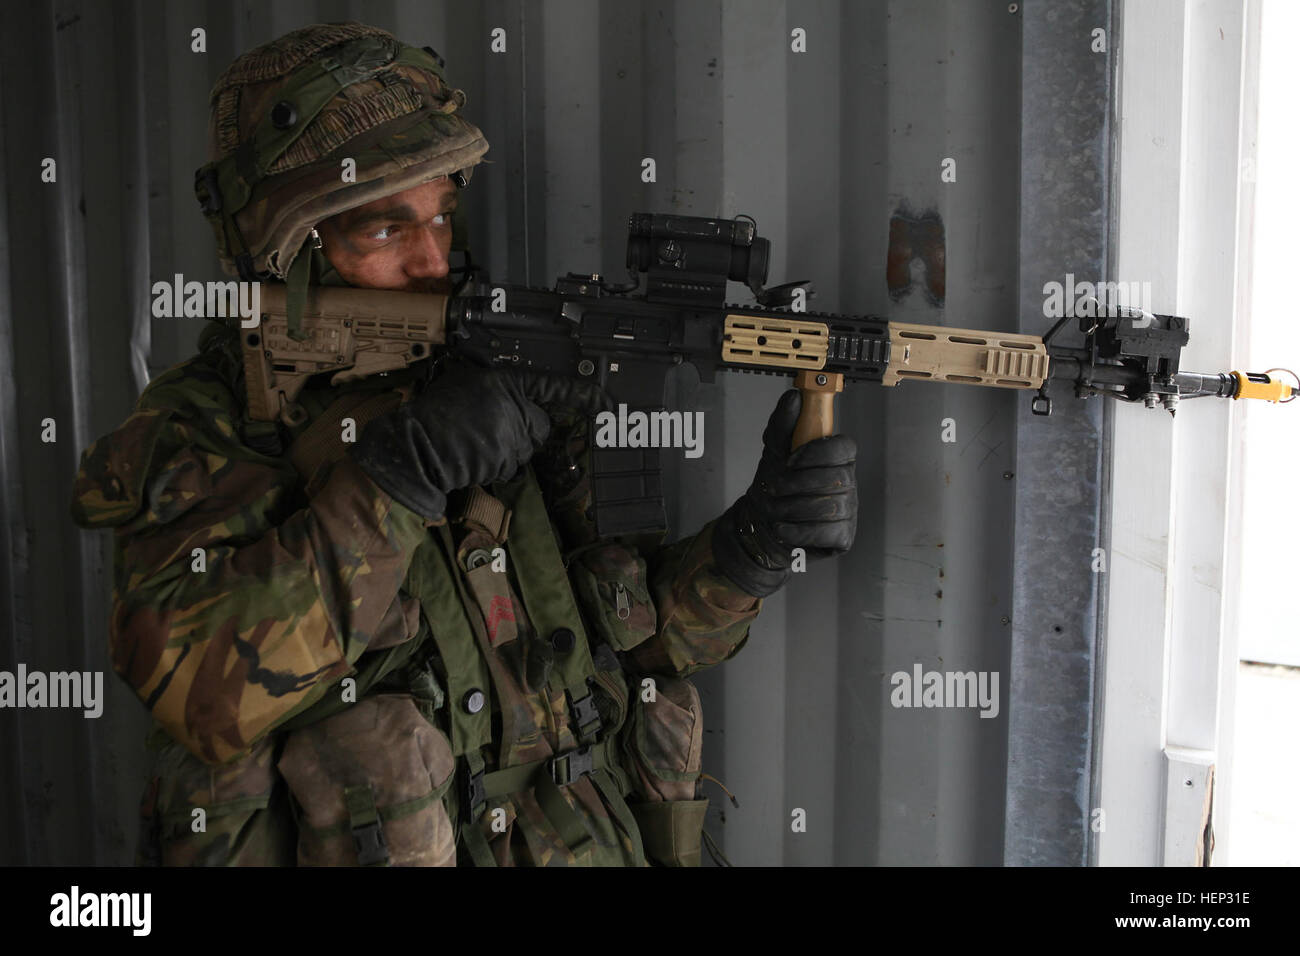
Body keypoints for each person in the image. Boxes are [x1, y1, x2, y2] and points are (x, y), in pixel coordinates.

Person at [70, 21, 858, 867]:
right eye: (384, 230)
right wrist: (397, 478)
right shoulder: (209, 426)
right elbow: (202, 696)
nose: (432, 260)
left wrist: (748, 551)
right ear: (286, 250)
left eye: (443, 216)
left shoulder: (488, 377)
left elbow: (626, 645)